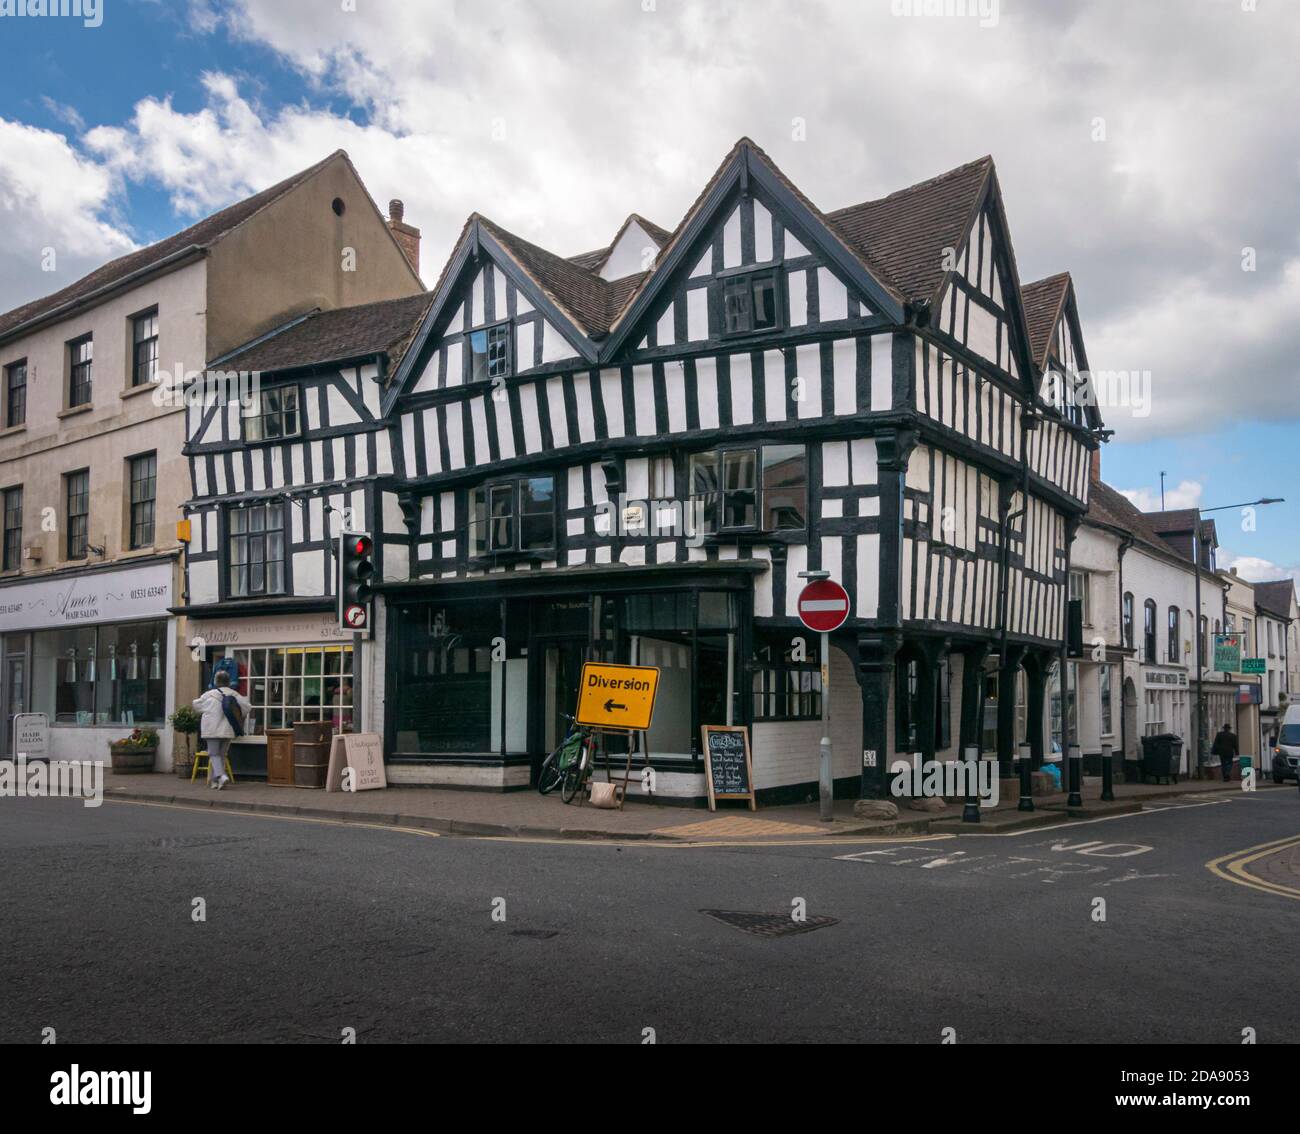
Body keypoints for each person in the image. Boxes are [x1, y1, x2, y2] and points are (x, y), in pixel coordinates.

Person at [193, 670, 251, 790]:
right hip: (228, 729)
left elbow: (196, 705)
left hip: (212, 729)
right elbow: (247, 707)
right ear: (229, 682)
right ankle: (215, 782)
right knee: (221, 755)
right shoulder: (234, 694)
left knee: (213, 754)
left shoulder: (209, 694)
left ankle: (221, 776)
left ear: (216, 681)